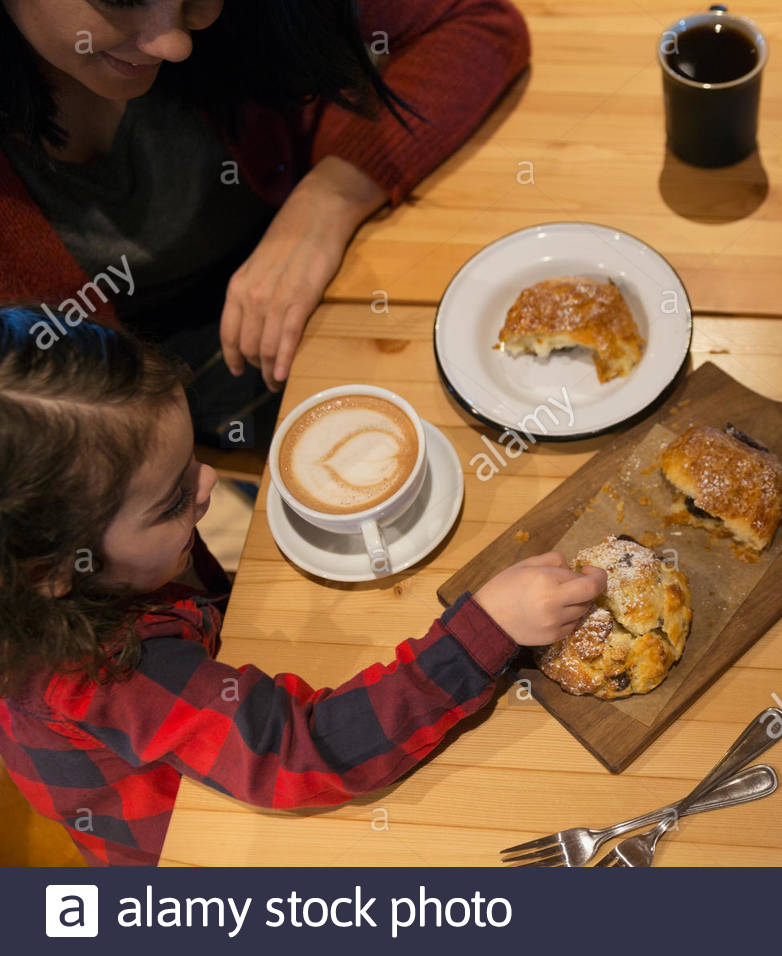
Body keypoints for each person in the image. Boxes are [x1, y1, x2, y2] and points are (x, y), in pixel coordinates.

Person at [0, 307, 605, 866]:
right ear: (50, 570)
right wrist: (481, 635)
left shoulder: (87, 568)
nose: (209, 481)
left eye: (191, 459)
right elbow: (301, 753)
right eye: (171, 501)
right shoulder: (111, 676)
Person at [0, 0, 528, 446]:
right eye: (122, 1)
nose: (174, 44)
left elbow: (478, 20)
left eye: (194, 0)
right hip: (135, 387)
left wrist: (329, 197)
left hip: (311, 255)